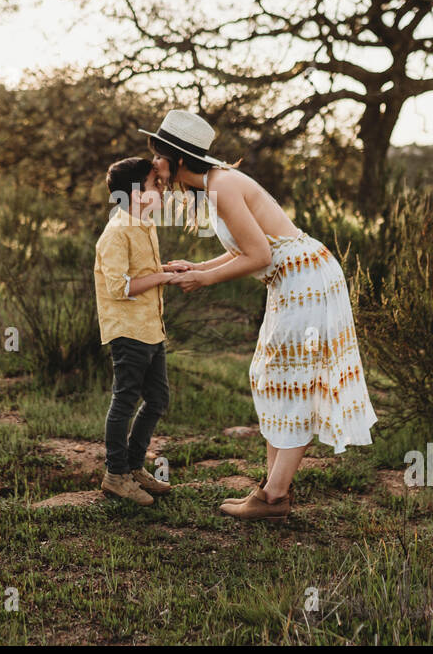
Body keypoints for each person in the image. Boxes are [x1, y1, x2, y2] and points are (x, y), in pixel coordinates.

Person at [140, 110, 377, 521]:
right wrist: (197, 267)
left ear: (177, 159)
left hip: (306, 279)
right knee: (272, 376)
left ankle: (274, 497)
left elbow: (260, 255)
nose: (153, 164)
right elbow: (245, 246)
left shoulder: (223, 186)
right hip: (293, 280)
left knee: (295, 379)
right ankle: (272, 491)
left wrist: (207, 281)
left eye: (158, 156)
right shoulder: (217, 185)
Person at [92, 156, 177, 506]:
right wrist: (163, 276)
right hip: (128, 331)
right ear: (136, 194)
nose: (161, 188)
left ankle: (132, 466)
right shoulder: (117, 232)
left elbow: (145, 272)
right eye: (154, 184)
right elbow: (119, 287)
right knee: (125, 400)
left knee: (157, 399)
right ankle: (115, 475)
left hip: (151, 328)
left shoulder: (144, 224)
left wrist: (170, 268)